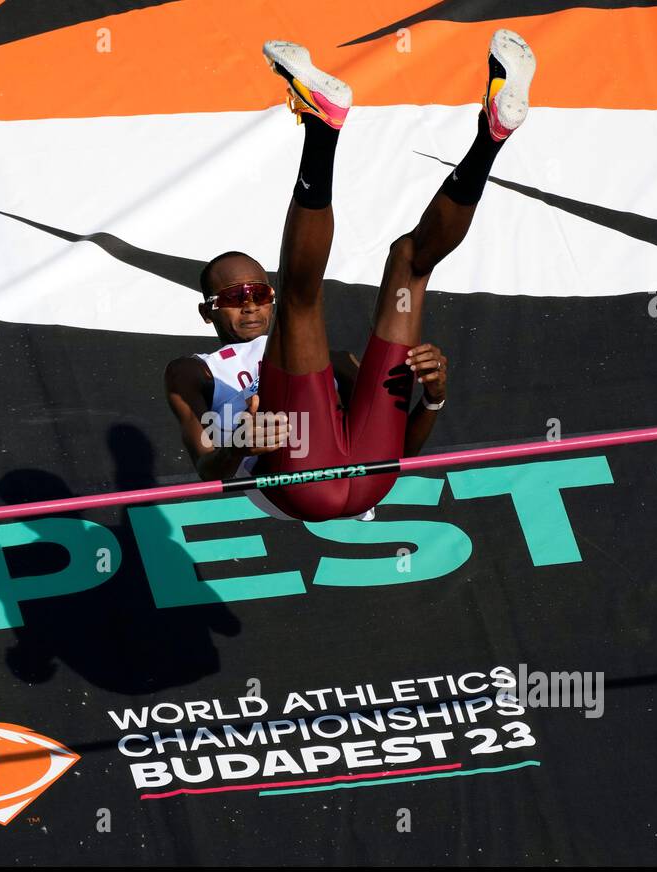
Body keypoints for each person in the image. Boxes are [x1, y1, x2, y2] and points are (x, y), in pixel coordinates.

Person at [165, 30, 535, 522]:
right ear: (208, 311)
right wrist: (237, 443)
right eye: (234, 296)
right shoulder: (195, 371)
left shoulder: (336, 362)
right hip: (300, 487)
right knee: (304, 299)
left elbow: (403, 445)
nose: (251, 303)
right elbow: (209, 471)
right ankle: (320, 130)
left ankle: (492, 135)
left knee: (410, 263)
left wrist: (433, 399)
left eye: (259, 292)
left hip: (369, 475)